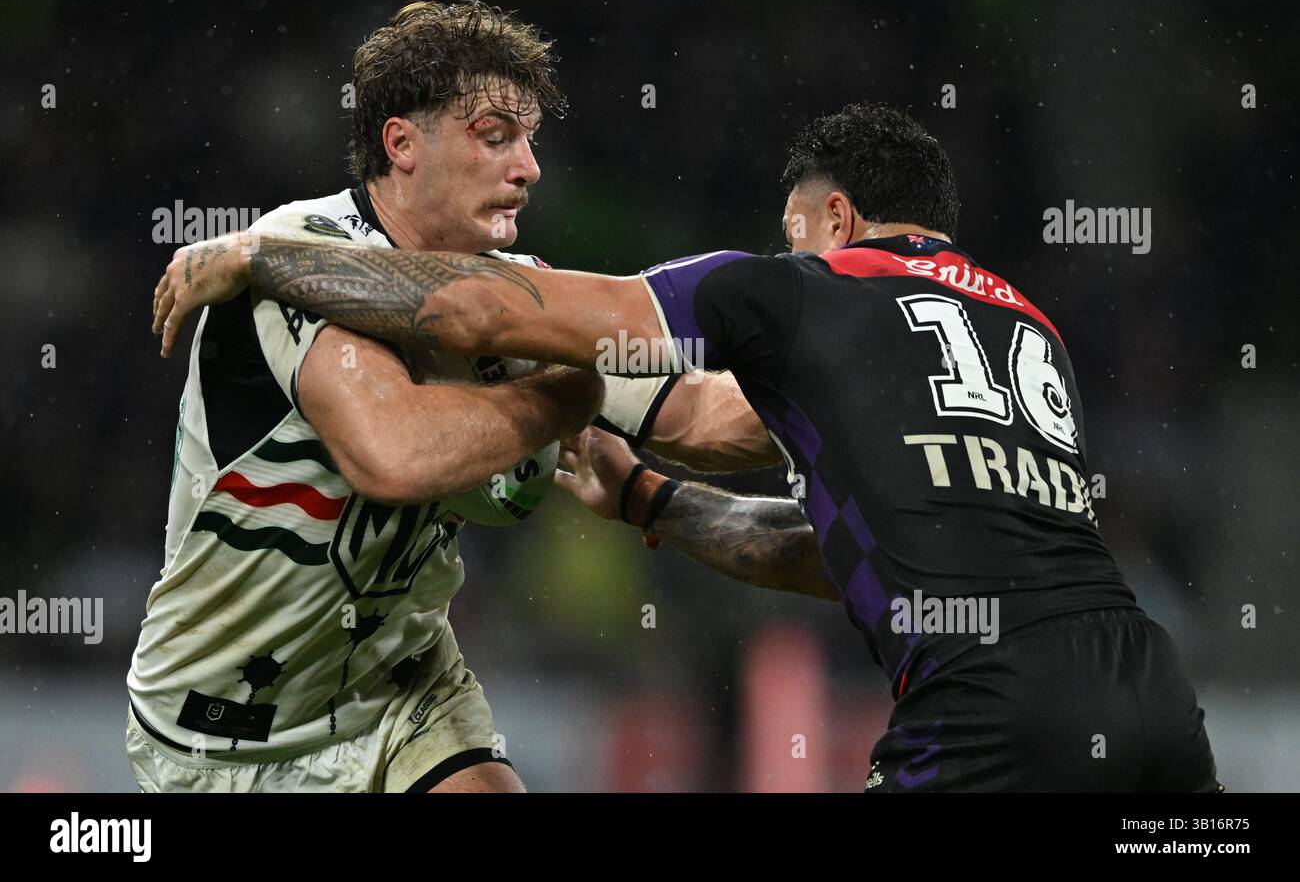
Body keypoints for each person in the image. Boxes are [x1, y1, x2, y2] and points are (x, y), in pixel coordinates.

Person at [153, 101, 1221, 792]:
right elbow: (852, 546)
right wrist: (650, 503)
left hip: (993, 712)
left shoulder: (796, 290)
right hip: (1155, 697)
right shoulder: (1026, 329)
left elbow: (486, 312)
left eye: (792, 229)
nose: (783, 247)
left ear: (835, 219)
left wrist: (270, 253)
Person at [131, 0, 770, 794]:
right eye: (496, 137)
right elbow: (394, 455)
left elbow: (706, 416)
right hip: (225, 725)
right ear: (401, 144)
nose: (529, 167)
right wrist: (566, 399)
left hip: (402, 687)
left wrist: (859, 382)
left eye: (530, 141)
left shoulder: (517, 295)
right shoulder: (300, 258)